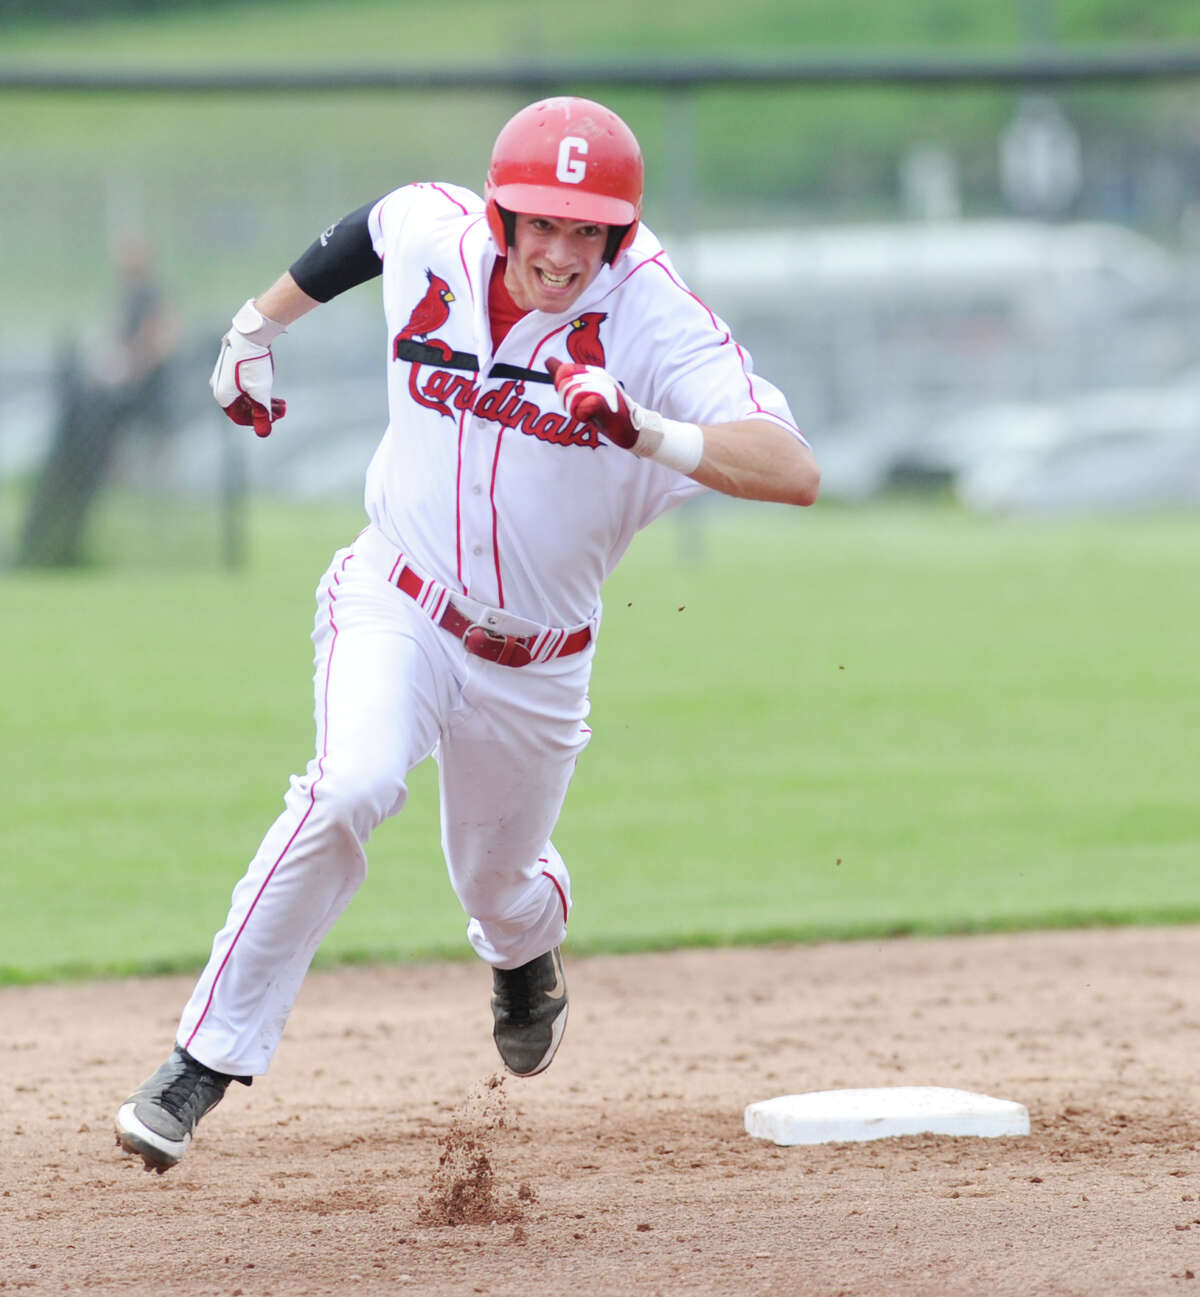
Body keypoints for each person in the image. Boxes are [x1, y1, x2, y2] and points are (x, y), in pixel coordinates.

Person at [114, 96, 819, 1173]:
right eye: (543, 222)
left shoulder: (652, 316)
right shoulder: (438, 235)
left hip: (537, 660)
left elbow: (792, 468)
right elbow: (370, 225)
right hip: (393, 595)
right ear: (502, 218)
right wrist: (256, 326)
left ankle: (525, 948)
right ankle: (199, 1063)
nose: (562, 250)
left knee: (498, 884)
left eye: (589, 230)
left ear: (619, 236)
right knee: (349, 784)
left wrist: (645, 426)